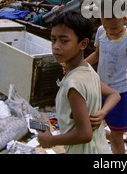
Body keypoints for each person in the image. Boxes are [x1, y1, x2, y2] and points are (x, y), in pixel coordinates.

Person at [37, 11, 120, 154]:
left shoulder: (73, 85)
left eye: (64, 40)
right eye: (53, 40)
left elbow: (84, 134)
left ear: (83, 44)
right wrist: (101, 113)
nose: (56, 46)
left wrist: (51, 141)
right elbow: (114, 94)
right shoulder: (88, 71)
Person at [86, 0, 127, 154]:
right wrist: (80, 66)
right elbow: (97, 54)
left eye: (115, 28)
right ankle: (108, 134)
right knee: (91, 124)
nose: (110, 32)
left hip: (120, 92)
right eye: (106, 27)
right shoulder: (100, 32)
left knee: (117, 139)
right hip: (100, 88)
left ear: (124, 19)